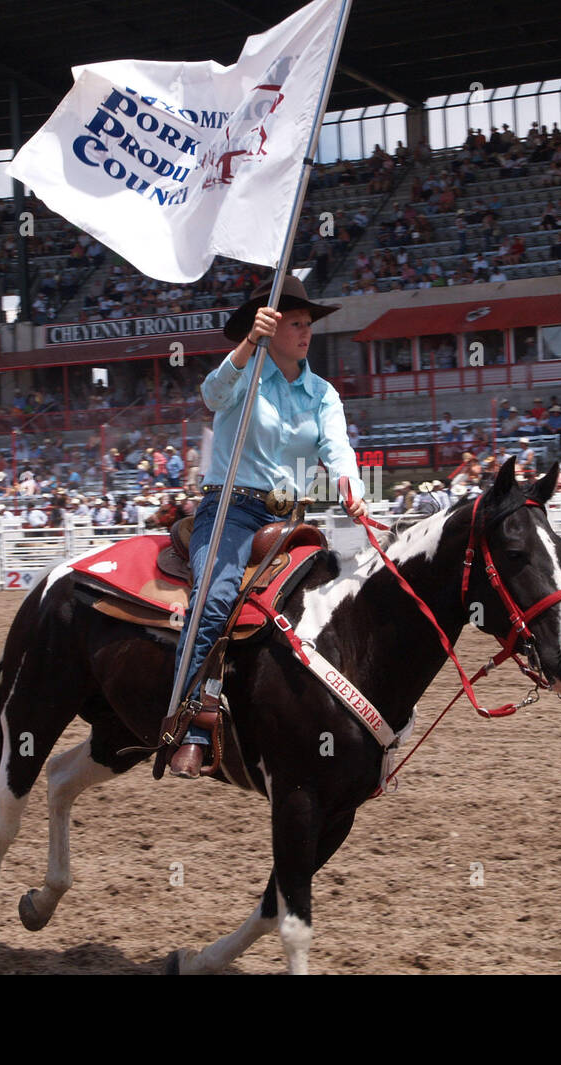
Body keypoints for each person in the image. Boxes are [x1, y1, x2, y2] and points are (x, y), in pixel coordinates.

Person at [169, 276, 366, 780]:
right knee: (215, 600)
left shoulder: (322, 394)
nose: (305, 332)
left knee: (339, 598)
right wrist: (246, 345)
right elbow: (211, 395)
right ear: (271, 328)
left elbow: (337, 448)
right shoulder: (244, 376)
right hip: (231, 509)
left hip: (289, 518)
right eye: (295, 324)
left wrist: (350, 485)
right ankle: (191, 725)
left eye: (307, 325)